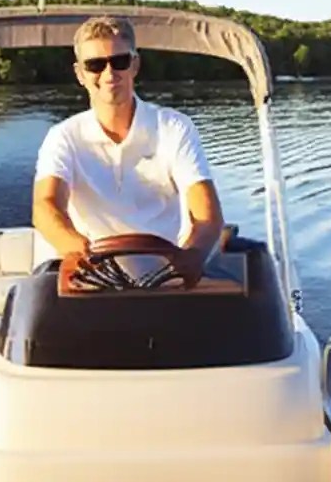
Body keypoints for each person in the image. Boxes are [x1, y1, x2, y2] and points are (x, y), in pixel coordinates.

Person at [32, 15, 229, 289]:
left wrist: (193, 255)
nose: (109, 74)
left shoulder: (174, 128)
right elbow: (45, 206)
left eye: (119, 61)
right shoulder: (63, 136)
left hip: (161, 278)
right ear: (80, 74)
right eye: (95, 65)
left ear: (134, 65)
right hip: (87, 276)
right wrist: (76, 250)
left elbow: (207, 216)